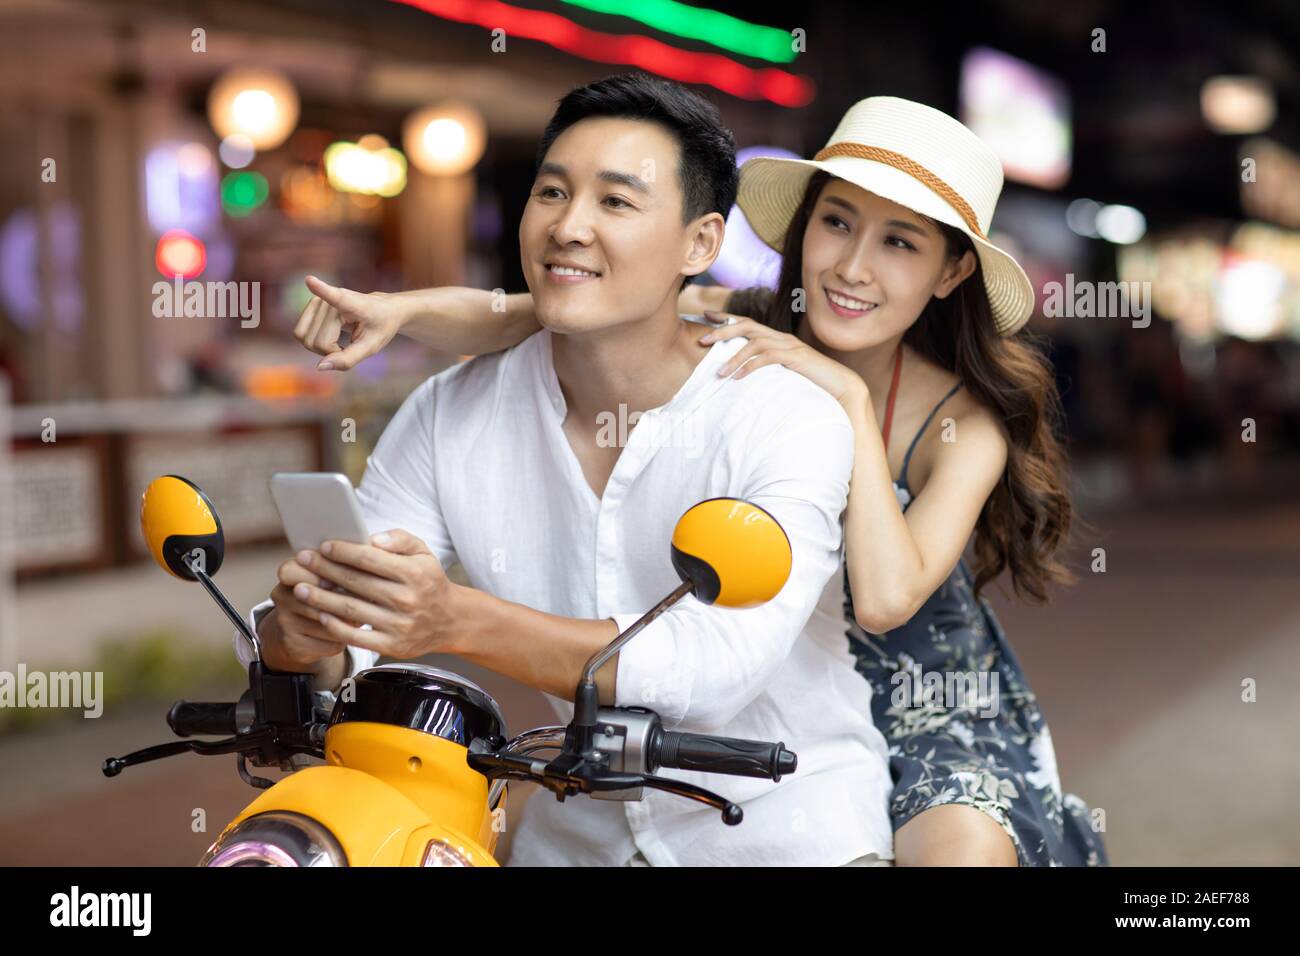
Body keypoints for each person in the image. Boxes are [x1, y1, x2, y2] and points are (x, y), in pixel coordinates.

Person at [296, 96, 1109, 867]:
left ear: (949, 273)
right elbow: (544, 307)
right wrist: (401, 310)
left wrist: (852, 401)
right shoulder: (750, 316)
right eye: (836, 223)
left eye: (900, 243)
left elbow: (889, 598)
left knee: (964, 854)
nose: (854, 267)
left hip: (927, 693)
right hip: (794, 687)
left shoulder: (963, 423)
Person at [239, 74, 895, 867]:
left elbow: (712, 666)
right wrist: (305, 636)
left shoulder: (786, 415)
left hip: (784, 828)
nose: (569, 227)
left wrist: (454, 620)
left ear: (700, 244)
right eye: (552, 192)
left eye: (616, 202)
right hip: (573, 835)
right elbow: (356, 626)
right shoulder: (452, 410)